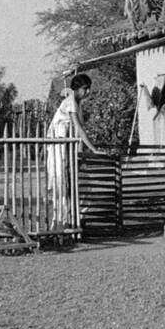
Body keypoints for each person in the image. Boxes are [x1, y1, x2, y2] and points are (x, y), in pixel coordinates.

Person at [46, 73, 100, 231]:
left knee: (81, 184)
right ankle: (60, 223)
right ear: (76, 89)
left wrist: (82, 151)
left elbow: (78, 132)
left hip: (69, 149)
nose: (87, 92)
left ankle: (77, 219)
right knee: (61, 184)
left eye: (89, 89)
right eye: (85, 89)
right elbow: (79, 128)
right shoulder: (70, 103)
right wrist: (93, 149)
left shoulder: (78, 104)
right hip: (59, 148)